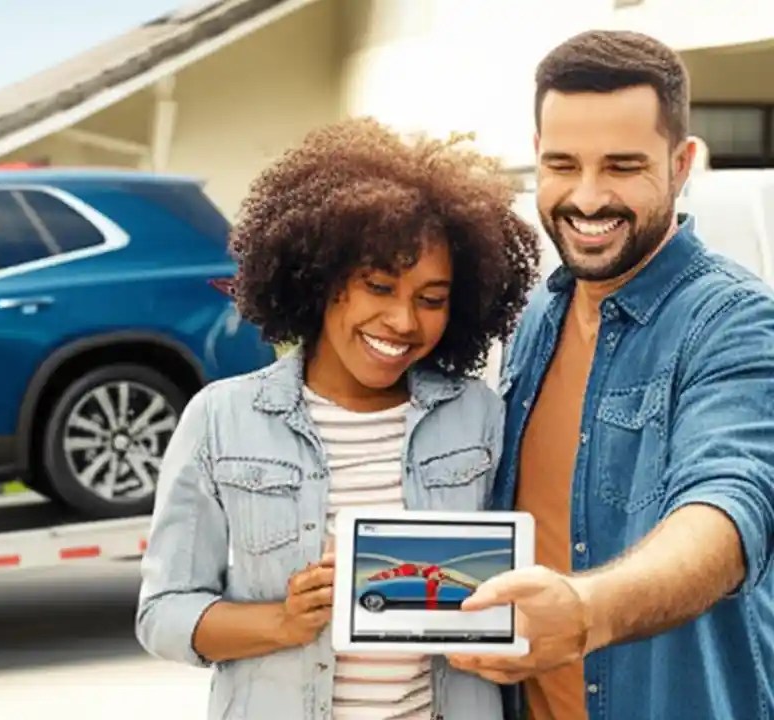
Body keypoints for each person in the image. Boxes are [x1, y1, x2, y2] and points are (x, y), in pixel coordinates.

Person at [134, 116, 541, 719]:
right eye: (379, 286)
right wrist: (282, 620)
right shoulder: (223, 420)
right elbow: (161, 615)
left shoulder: (479, 416)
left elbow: (521, 584)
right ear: (321, 280)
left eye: (431, 299)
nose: (404, 321)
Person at [446, 29, 774, 720]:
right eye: (563, 164)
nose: (588, 198)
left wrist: (584, 610)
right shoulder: (541, 308)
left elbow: (727, 507)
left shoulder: (736, 321)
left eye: (623, 166)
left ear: (681, 165)